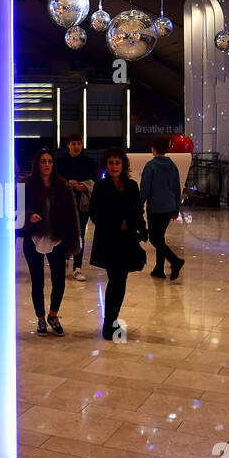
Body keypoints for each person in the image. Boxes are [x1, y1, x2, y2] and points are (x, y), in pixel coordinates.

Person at [89, 146, 147, 341]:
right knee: (116, 280)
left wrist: (136, 226)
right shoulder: (101, 186)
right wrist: (117, 223)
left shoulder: (131, 186)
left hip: (126, 241)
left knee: (119, 282)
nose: (114, 166)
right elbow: (95, 214)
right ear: (106, 164)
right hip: (108, 241)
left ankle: (111, 322)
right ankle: (110, 324)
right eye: (111, 162)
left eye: (117, 162)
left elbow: (138, 211)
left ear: (123, 165)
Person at [21, 147, 80, 336]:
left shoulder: (62, 186)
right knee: (37, 281)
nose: (46, 165)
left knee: (59, 280)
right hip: (34, 237)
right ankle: (40, 319)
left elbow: (72, 215)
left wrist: (72, 243)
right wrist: (30, 216)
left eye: (49, 161)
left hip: (57, 238)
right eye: (43, 161)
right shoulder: (27, 185)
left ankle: (53, 314)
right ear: (37, 164)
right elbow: (19, 208)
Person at [141, 135, 185, 281]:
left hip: (155, 208)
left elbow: (145, 189)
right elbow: (177, 188)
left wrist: (138, 204)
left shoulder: (150, 166)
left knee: (154, 238)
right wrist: (176, 208)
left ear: (153, 148)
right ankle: (159, 268)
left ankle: (175, 261)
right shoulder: (172, 166)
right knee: (159, 238)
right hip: (169, 207)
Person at [54, 134, 96, 281]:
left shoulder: (89, 162)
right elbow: (55, 179)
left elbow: (94, 180)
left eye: (79, 143)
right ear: (68, 145)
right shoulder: (60, 161)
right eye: (74, 143)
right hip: (64, 203)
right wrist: (67, 183)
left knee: (80, 235)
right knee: (64, 233)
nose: (77, 146)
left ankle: (77, 267)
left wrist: (84, 185)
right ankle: (64, 260)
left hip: (82, 204)